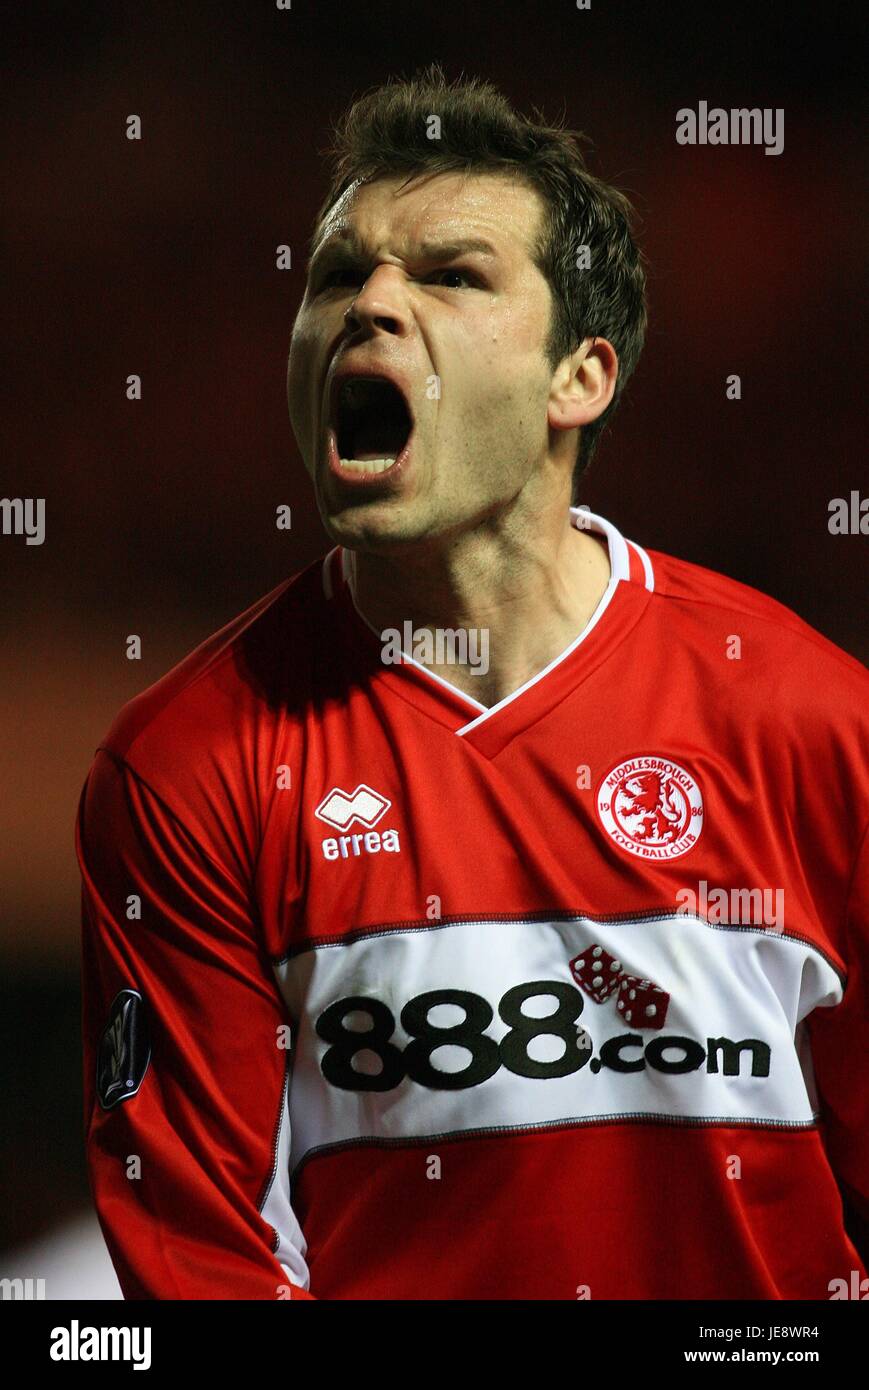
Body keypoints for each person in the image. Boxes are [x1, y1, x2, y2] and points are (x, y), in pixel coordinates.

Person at [77, 64, 868, 1300]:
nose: (371, 302)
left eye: (451, 275)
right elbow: (199, 1255)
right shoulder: (186, 765)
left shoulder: (806, 719)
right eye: (338, 275)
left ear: (578, 378)